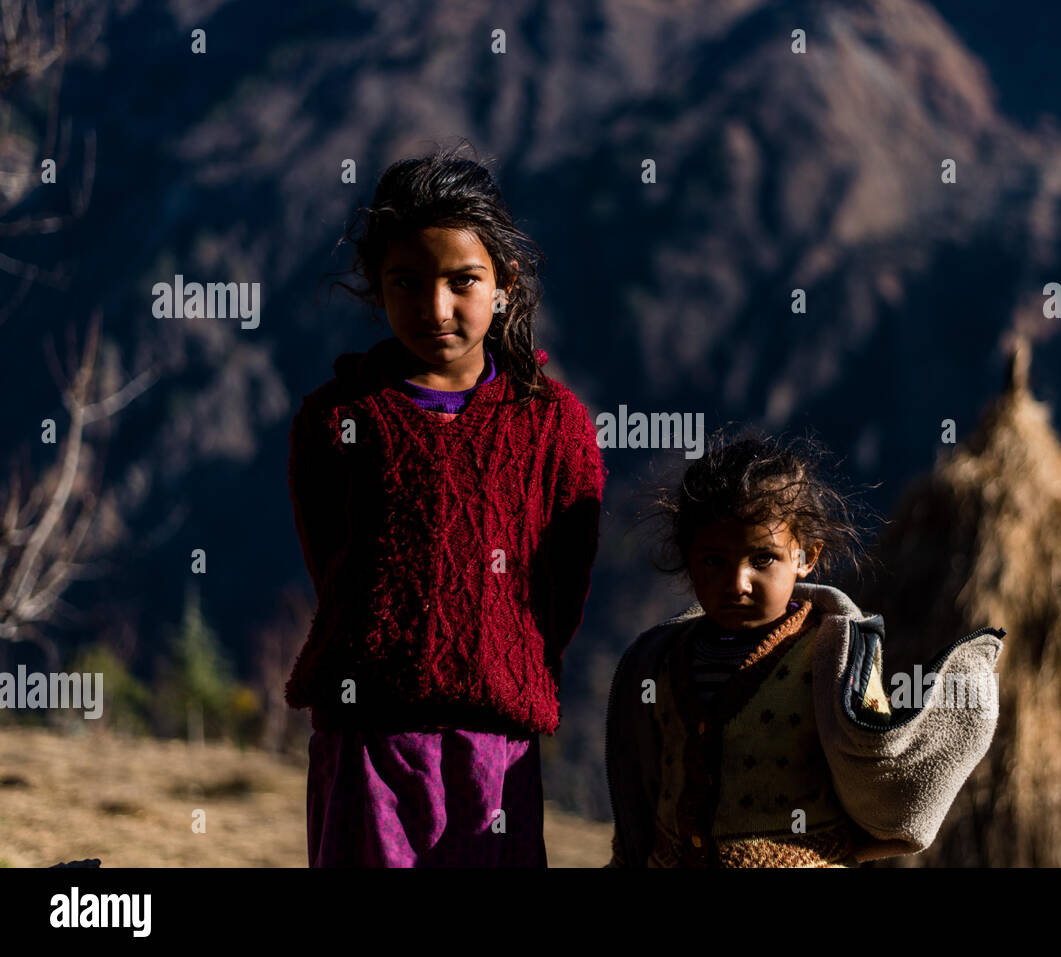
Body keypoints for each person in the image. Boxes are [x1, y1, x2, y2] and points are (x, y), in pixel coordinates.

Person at [285, 144, 606, 867]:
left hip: (496, 747)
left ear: (506, 284)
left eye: (463, 281)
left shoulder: (555, 427)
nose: (436, 307)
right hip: (369, 734)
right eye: (406, 281)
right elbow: (335, 565)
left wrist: (497, 655)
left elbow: (561, 587)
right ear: (376, 284)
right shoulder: (338, 419)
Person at [605, 433, 1004, 867]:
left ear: (805, 556)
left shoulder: (831, 658)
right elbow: (644, 782)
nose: (737, 582)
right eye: (714, 560)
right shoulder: (661, 662)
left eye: (762, 559)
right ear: (687, 556)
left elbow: (870, 758)